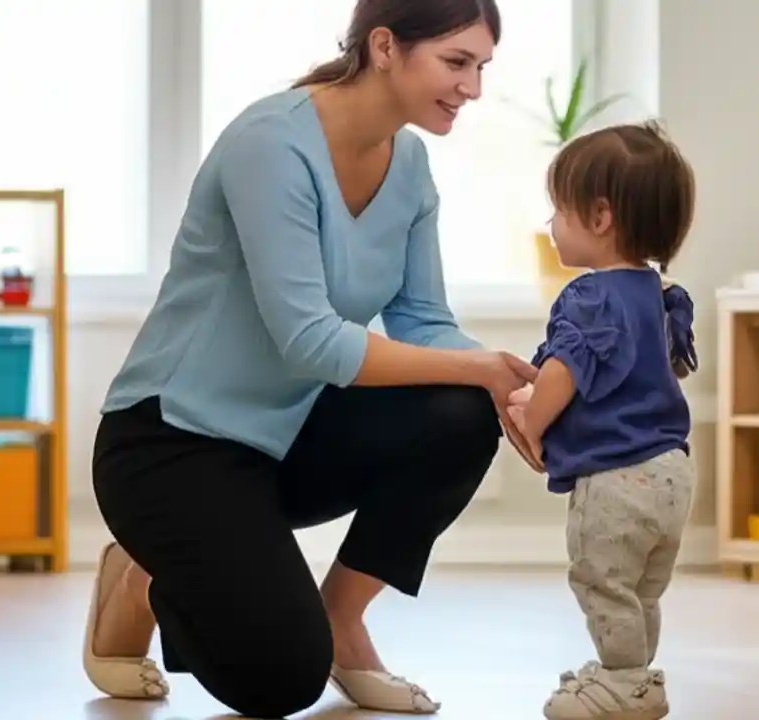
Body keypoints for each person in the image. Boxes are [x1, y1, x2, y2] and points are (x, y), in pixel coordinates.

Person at [80, 1, 542, 717]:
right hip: (171, 445)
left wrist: (513, 383)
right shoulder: (271, 143)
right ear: (385, 46)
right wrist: (479, 368)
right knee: (281, 681)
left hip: (282, 441)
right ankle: (144, 568)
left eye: (481, 67)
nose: (472, 88)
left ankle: (342, 615)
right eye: (457, 62)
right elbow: (310, 340)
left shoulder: (411, 164)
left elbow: (423, 320)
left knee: (461, 413)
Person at [506, 122, 698, 720]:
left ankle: (622, 686)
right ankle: (634, 677)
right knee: (641, 590)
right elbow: (664, 371)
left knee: (601, 582)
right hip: (672, 472)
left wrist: (530, 422)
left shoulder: (589, 296)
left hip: (618, 478)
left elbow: (564, 372)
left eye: (557, 211)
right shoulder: (659, 293)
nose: (550, 225)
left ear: (600, 217)